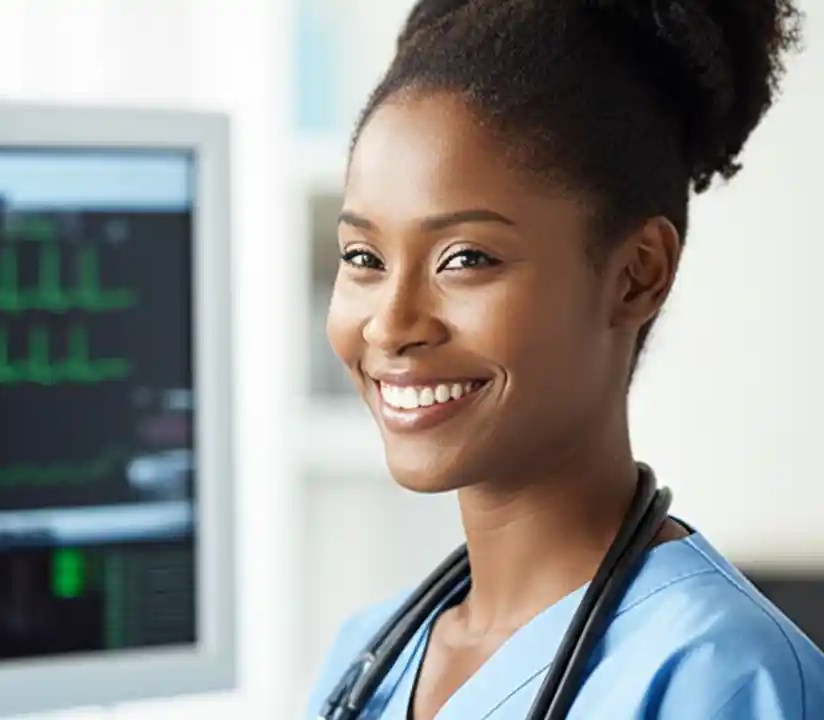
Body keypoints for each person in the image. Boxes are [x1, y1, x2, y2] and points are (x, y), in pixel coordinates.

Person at [306, 0, 824, 718]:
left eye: (466, 259)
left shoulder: (720, 678)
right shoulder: (363, 661)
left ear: (636, 274)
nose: (390, 326)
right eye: (363, 256)